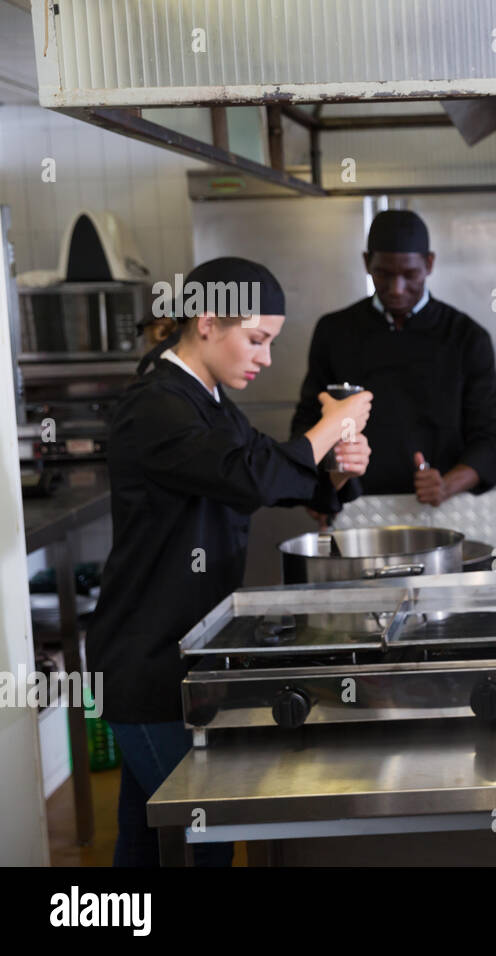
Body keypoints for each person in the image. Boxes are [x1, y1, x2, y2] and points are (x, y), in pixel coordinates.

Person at [86, 257, 373, 866]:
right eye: (258, 339)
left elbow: (266, 466)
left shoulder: (206, 398)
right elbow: (247, 476)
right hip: (146, 663)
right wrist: (330, 427)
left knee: (146, 836)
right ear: (209, 322)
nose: (266, 358)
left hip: (183, 651)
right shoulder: (155, 403)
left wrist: (336, 478)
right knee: (203, 838)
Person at [290, 210, 496, 524]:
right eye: (383, 274)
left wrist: (447, 484)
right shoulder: (334, 331)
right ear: (367, 263)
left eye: (410, 274)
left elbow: (490, 437)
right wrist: (315, 486)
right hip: (355, 508)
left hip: (443, 511)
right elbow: (309, 422)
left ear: (429, 264)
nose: (396, 287)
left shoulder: (466, 337)